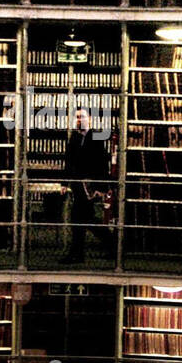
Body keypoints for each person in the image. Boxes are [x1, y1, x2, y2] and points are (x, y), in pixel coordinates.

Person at [61, 106, 109, 264]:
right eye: (77, 117)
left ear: (90, 119)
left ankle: (77, 254)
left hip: (89, 186)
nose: (79, 120)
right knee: (86, 219)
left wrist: (100, 188)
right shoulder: (74, 137)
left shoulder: (97, 137)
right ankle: (113, 244)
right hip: (77, 185)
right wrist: (64, 183)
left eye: (82, 116)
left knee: (79, 219)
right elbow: (69, 161)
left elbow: (102, 164)